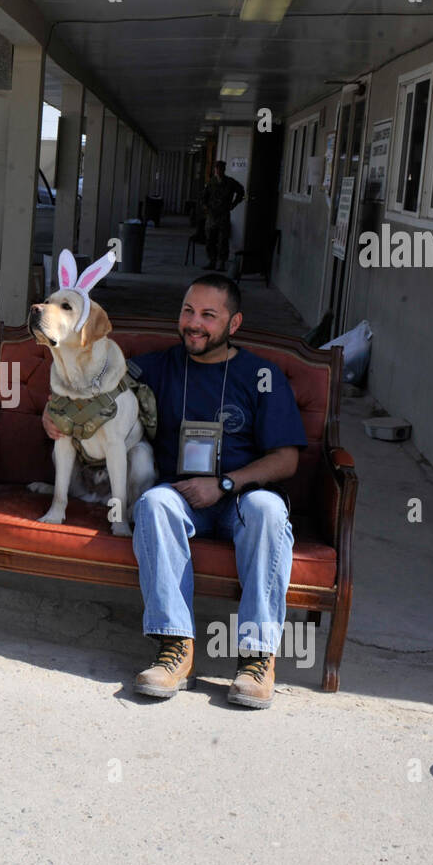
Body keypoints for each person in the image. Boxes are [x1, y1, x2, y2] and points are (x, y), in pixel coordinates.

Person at [127, 275, 305, 707]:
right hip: (182, 497)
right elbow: (95, 392)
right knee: (153, 502)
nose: (194, 324)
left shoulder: (261, 375)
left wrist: (225, 483)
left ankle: (257, 657)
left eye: (209, 315)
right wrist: (58, 417)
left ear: (234, 322)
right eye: (188, 311)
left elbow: (287, 459)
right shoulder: (156, 367)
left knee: (268, 510)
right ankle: (175, 649)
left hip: (240, 499)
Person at [201, 160, 245, 271]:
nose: (218, 171)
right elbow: (204, 196)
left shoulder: (230, 182)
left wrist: (234, 204)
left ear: (224, 170)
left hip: (223, 215)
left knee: (222, 240)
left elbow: (241, 192)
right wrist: (205, 206)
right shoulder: (211, 182)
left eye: (220, 169)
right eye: (216, 169)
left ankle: (221, 263)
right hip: (212, 216)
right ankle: (212, 261)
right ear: (214, 170)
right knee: (210, 239)